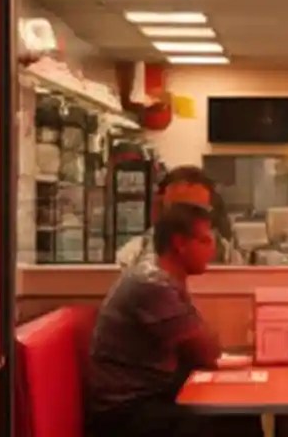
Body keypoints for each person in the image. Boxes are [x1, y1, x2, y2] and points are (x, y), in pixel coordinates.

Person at [88, 203, 260, 437]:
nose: (212, 250)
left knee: (241, 413)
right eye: (205, 241)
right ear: (180, 244)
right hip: (126, 413)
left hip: (149, 399)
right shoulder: (152, 283)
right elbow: (206, 351)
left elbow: (201, 347)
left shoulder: (164, 280)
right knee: (237, 420)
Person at [117, 165, 241, 267]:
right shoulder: (131, 255)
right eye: (179, 209)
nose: (186, 218)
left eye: (196, 211)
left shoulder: (229, 257)